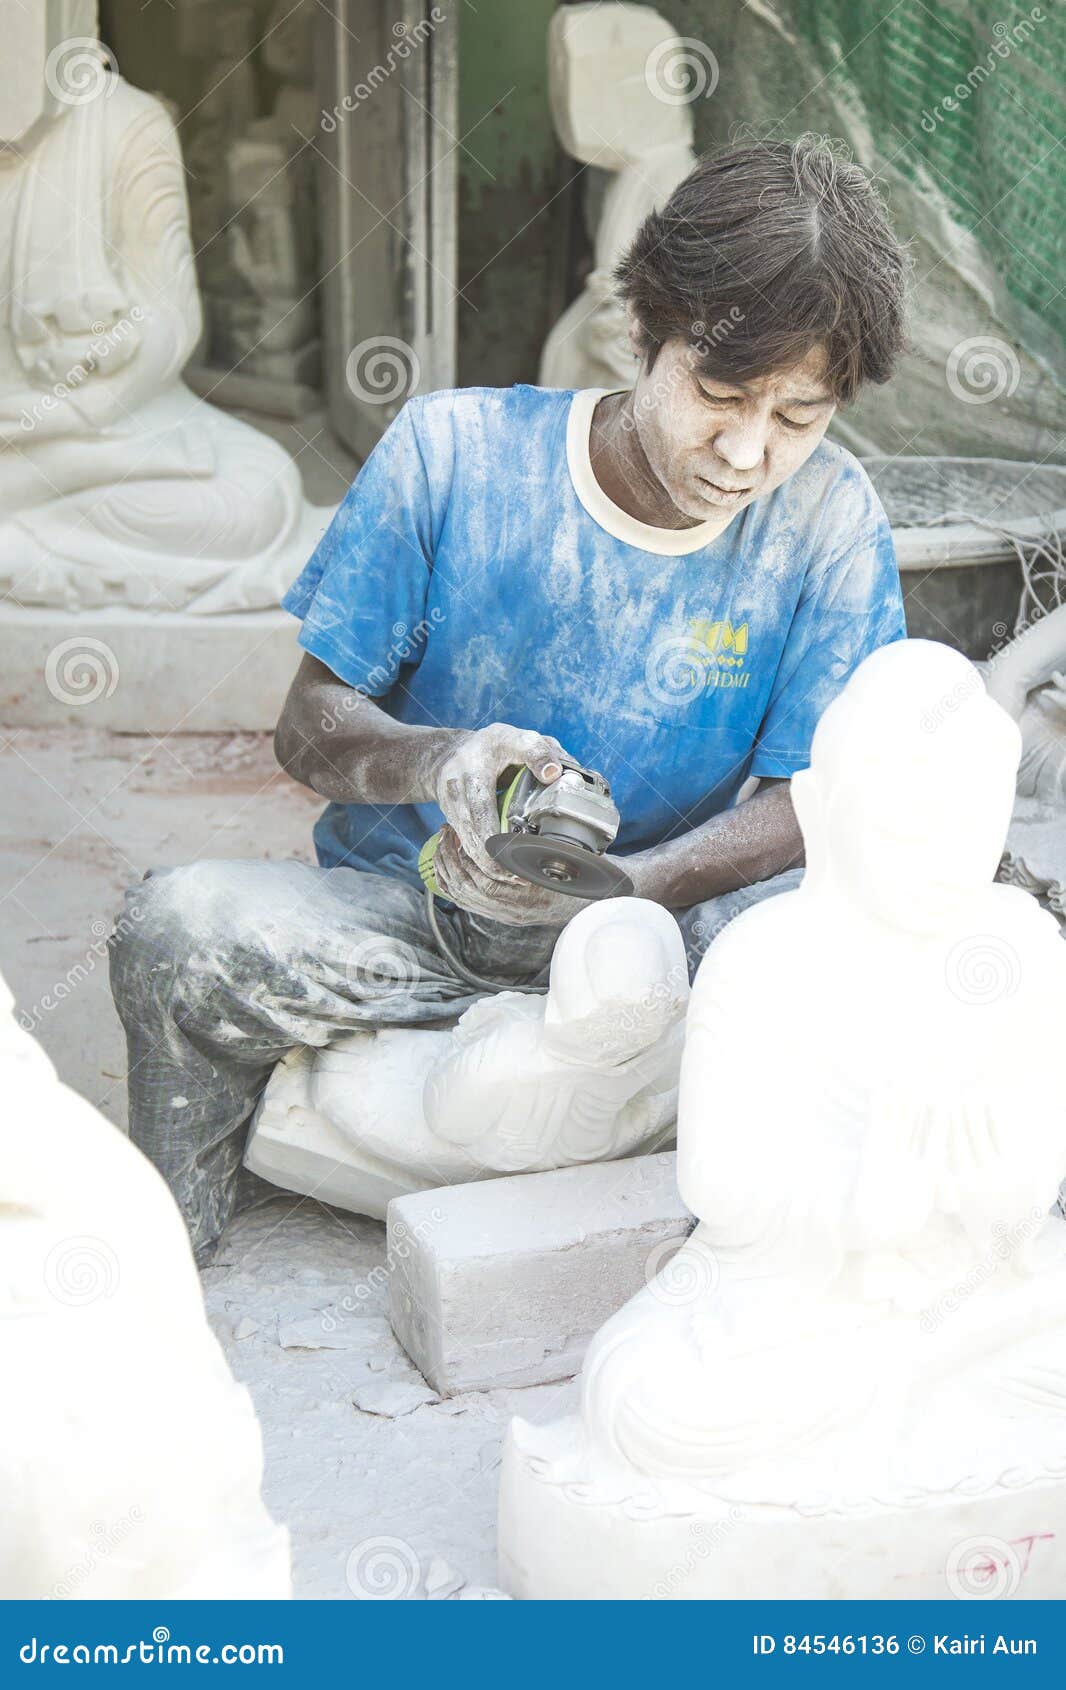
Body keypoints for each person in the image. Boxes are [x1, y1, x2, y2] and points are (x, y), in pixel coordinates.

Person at [110, 136, 909, 1262]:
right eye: (720, 394)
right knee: (174, 931)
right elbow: (309, 726)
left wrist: (636, 886)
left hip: (649, 938)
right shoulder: (455, 454)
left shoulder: (828, 519)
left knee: (889, 961)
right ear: (644, 332)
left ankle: (552, 1120)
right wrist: (440, 761)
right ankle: (164, 1239)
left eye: (798, 417)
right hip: (412, 918)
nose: (745, 453)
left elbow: (811, 797)